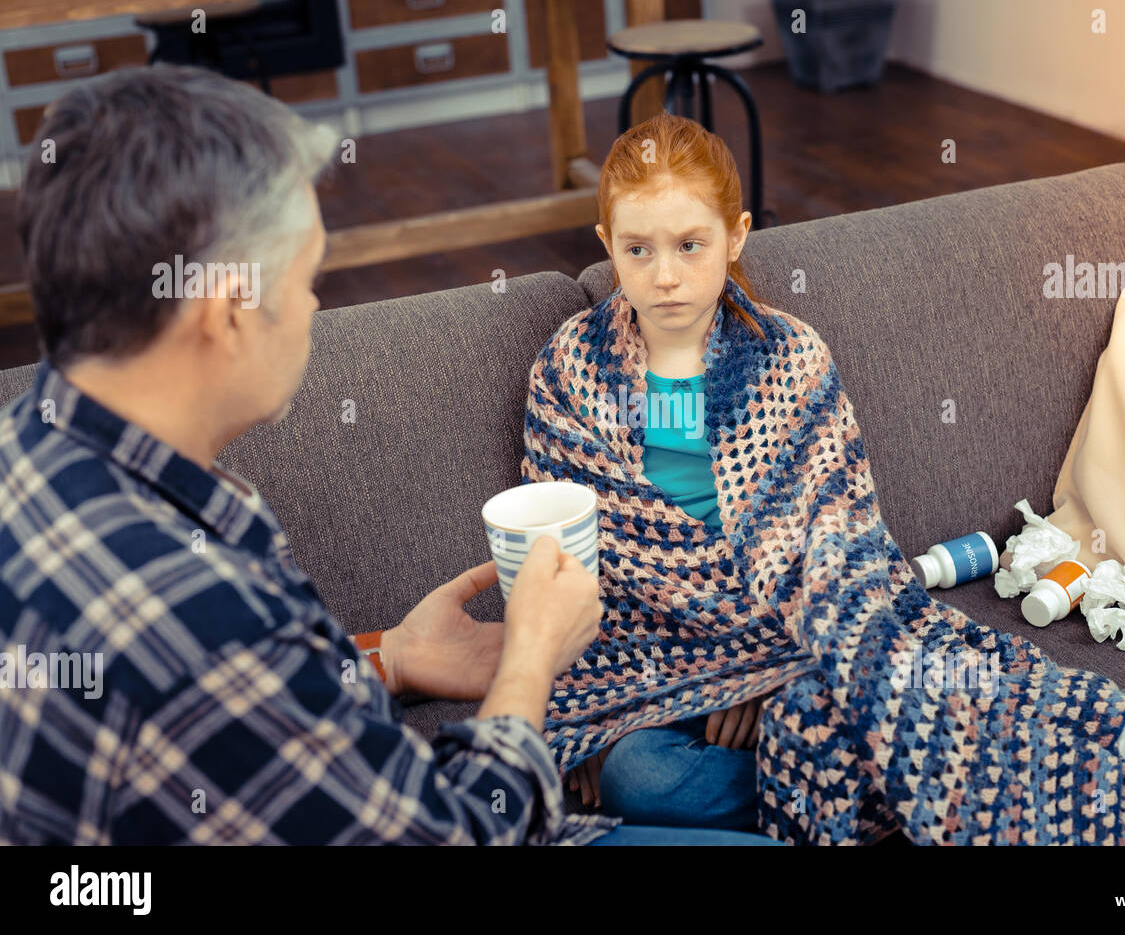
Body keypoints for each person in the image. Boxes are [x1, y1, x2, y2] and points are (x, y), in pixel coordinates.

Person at [0, 64, 779, 846]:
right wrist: (532, 662)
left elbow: (243, 712)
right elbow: (464, 834)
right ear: (223, 310)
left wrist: (391, 658)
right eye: (304, 277)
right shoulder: (192, 606)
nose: (310, 307)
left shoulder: (39, 460)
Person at [527, 112, 1125, 843]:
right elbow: (564, 572)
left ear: (736, 234)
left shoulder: (790, 360)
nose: (666, 275)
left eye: (691, 244)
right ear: (606, 247)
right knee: (637, 777)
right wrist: (580, 720)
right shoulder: (569, 374)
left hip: (817, 642)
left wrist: (769, 670)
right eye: (637, 250)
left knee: (827, 693)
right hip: (657, 674)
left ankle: (1096, 728)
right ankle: (888, 776)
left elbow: (840, 544)